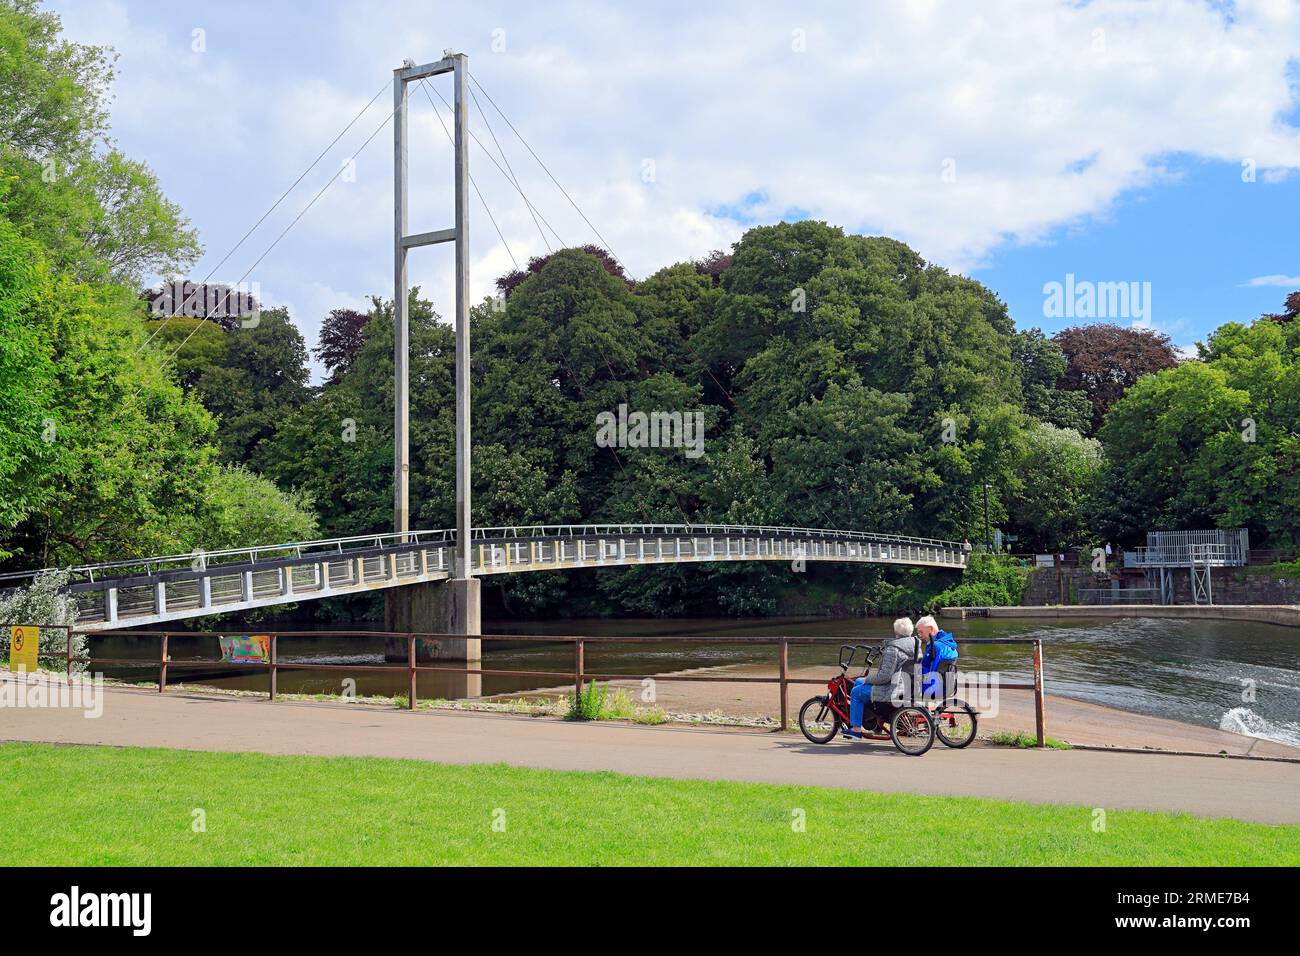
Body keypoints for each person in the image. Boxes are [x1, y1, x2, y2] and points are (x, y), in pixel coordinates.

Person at [843, 617, 919, 738]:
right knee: (858, 681)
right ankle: (871, 721)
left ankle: (856, 729)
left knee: (856, 692)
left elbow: (884, 677)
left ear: (896, 632)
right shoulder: (916, 647)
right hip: (907, 686)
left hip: (892, 689)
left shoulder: (893, 649)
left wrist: (868, 679)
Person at [916, 614, 958, 700]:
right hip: (948, 686)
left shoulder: (935, 646)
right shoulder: (948, 643)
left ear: (931, 629)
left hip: (933, 688)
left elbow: (930, 670)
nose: (920, 635)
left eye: (921, 632)